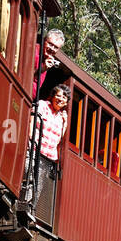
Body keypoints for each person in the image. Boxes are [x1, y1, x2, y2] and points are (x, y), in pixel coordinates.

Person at [29, 84, 70, 214]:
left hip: (48, 155)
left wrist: (66, 123)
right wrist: (30, 139)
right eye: (58, 95)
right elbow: (32, 119)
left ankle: (30, 210)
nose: (61, 99)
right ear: (52, 96)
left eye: (64, 97)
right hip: (34, 148)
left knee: (38, 183)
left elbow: (60, 137)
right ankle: (22, 204)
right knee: (29, 175)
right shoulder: (43, 105)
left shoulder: (61, 117)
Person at [33, 29, 65, 100]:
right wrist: (42, 69)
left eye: (56, 47)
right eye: (50, 44)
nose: (52, 49)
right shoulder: (33, 51)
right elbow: (25, 76)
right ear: (44, 41)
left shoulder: (46, 60)